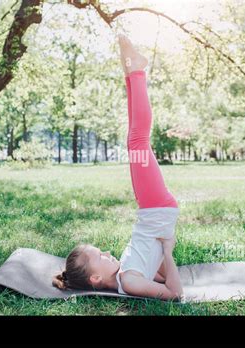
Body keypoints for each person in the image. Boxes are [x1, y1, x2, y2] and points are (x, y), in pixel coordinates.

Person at [52, 34, 183, 301]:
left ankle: (131, 73)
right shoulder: (129, 281)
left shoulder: (127, 271)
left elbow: (156, 273)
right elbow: (175, 293)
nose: (107, 253)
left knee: (134, 141)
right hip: (156, 211)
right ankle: (135, 71)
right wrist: (168, 251)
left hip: (152, 211)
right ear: (96, 279)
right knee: (138, 142)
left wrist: (161, 257)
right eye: (100, 256)